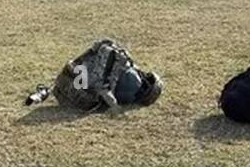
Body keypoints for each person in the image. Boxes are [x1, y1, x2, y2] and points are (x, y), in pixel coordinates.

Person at [25, 39, 163, 112]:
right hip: (71, 91)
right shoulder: (126, 77)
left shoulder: (131, 79)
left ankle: (42, 94)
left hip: (67, 84)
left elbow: (82, 60)